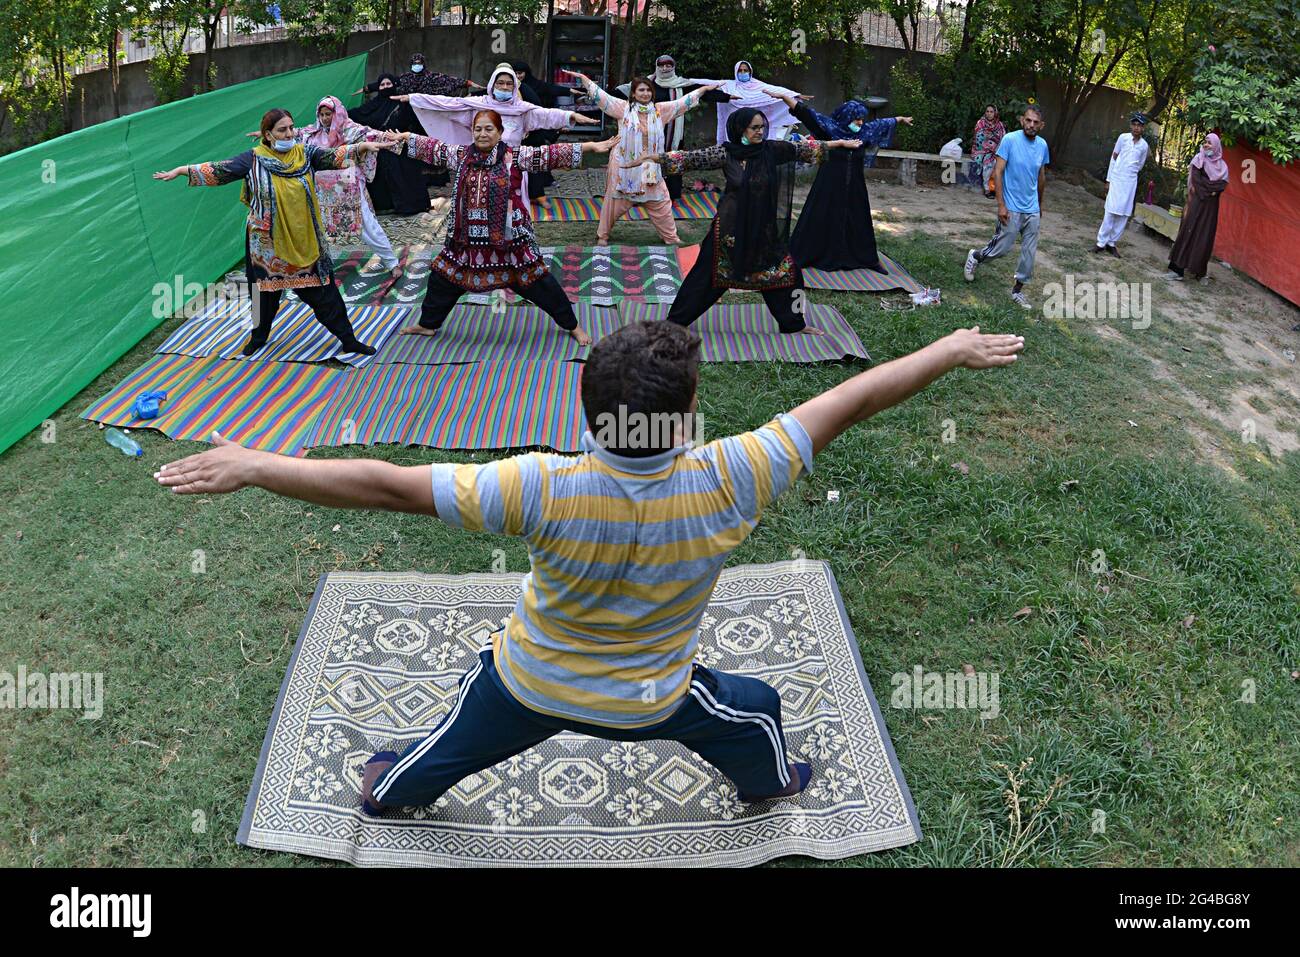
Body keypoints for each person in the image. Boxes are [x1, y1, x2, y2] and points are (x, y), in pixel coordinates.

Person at [154, 320, 1025, 815]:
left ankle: (388, 791)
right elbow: (856, 396)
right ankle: (775, 786)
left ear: (585, 410)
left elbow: (384, 484)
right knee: (756, 710)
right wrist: (947, 351)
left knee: (448, 736)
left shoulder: (536, 483)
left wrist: (259, 463)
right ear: (686, 415)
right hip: (651, 701)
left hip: (526, 683)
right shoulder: (737, 473)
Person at [152, 108, 388, 355]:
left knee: (324, 293)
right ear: (268, 134)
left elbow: (331, 156)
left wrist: (360, 148)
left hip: (303, 240)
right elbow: (221, 170)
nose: (289, 134)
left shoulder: (306, 154)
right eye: (282, 130)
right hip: (265, 245)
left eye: (291, 128)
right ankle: (258, 338)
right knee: (263, 297)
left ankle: (348, 339)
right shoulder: (253, 159)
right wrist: (183, 170)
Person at [389, 114, 616, 345]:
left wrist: (591, 147)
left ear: (499, 133)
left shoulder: (514, 157)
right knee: (441, 279)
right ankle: (427, 325)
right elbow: (434, 148)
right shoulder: (461, 155)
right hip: (466, 242)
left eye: (489, 129)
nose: (482, 134)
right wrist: (407, 137)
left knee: (541, 284)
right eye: (478, 129)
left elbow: (549, 155)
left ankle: (572, 325)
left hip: (510, 243)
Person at [627, 108, 859, 333]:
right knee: (705, 277)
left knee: (787, 274)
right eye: (754, 128)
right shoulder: (726, 153)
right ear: (740, 130)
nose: (760, 132)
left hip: (763, 229)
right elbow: (690, 159)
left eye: (762, 127)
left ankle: (794, 324)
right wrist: (653, 157)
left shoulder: (772, 150)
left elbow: (803, 148)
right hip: (729, 229)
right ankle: (675, 322)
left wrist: (839, 144)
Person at [395, 63, 601, 201]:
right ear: (492, 85)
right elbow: (448, 104)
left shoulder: (522, 110)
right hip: (477, 172)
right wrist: (413, 98)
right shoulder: (476, 106)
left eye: (508, 83)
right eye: (500, 83)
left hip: (512, 172)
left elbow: (546, 116)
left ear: (514, 87)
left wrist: (570, 117)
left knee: (512, 221)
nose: (504, 86)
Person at [563, 69, 723, 245]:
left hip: (650, 165)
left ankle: (670, 236)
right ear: (633, 93)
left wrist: (703, 90)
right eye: (641, 90)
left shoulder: (660, 110)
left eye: (648, 90)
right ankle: (603, 235)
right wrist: (584, 78)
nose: (645, 93)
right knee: (615, 202)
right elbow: (602, 97)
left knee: (660, 201)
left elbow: (681, 103)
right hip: (625, 165)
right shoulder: (623, 108)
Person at [775, 89, 912, 273]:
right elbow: (806, 112)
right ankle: (808, 255)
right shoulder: (830, 129)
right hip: (828, 186)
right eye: (857, 119)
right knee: (819, 217)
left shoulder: (864, 132)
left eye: (862, 119)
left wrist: (900, 119)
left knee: (858, 221)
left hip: (855, 187)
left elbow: (882, 123)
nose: (860, 123)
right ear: (847, 117)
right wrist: (785, 98)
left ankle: (867, 259)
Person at [292, 96, 402, 278]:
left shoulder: (349, 129)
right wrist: (268, 135)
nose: (325, 118)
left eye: (329, 114)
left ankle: (391, 262)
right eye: (322, 114)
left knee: (366, 223)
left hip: (347, 183)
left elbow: (371, 135)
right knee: (314, 223)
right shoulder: (313, 132)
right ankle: (313, 263)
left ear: (337, 113)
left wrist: (390, 139)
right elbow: (293, 134)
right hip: (323, 186)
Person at [963, 104, 1051, 310]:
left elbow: (1041, 176)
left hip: (1032, 209)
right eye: (1028, 120)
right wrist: (1001, 204)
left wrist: (1039, 204)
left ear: (1041, 125)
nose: (1031, 125)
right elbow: (998, 172)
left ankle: (1017, 291)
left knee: (1029, 254)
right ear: (1022, 120)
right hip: (1011, 206)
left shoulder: (1042, 146)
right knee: (1001, 249)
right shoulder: (1010, 140)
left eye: (1035, 122)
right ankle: (976, 256)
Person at [611, 54, 735, 200]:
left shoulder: (682, 84)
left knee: (674, 159)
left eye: (669, 65)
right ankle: (648, 194)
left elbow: (702, 93)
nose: (665, 68)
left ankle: (673, 194)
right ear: (657, 67)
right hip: (650, 132)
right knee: (649, 160)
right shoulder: (648, 84)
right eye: (662, 65)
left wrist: (727, 97)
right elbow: (620, 93)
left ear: (673, 67)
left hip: (674, 133)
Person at [348, 72, 433, 215]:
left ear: (394, 85)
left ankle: (410, 206)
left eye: (389, 84)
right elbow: (357, 114)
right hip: (378, 150)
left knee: (404, 177)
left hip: (401, 148)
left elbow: (416, 123)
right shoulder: (372, 105)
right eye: (382, 85)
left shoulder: (403, 104)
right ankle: (383, 206)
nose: (386, 87)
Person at [509, 60, 580, 200]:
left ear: (526, 73)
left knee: (536, 158)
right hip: (515, 131)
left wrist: (569, 91)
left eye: (520, 73)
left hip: (534, 128)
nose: (517, 76)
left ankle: (539, 191)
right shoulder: (507, 88)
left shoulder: (534, 86)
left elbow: (551, 88)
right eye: (515, 73)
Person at [1165, 133, 1230, 284]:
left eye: (1210, 143)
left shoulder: (1223, 166)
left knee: (1204, 236)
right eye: (1205, 142)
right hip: (1196, 202)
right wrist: (1210, 191)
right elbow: (1196, 181)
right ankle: (1177, 270)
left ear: (1216, 146)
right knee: (1188, 232)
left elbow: (1222, 186)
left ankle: (1199, 272)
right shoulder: (1198, 159)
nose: (1206, 145)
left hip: (1210, 208)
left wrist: (1210, 189)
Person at [694, 61, 810, 144]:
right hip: (736, 126)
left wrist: (794, 95)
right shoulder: (728, 85)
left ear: (750, 72)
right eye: (740, 70)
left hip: (753, 127)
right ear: (736, 72)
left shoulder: (758, 85)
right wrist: (685, 82)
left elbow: (776, 90)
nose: (743, 72)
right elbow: (707, 83)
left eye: (745, 70)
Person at [1094, 112, 1150, 257]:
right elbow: (1114, 158)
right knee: (1110, 210)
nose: (1136, 128)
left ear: (1143, 128)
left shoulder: (1144, 146)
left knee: (1124, 213)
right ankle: (1100, 243)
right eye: (1134, 124)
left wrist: (1129, 173)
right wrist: (1109, 179)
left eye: (1140, 125)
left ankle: (1111, 243)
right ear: (1131, 125)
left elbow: (1140, 165)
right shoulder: (1123, 138)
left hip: (1130, 182)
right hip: (1117, 179)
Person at [968, 105, 1005, 195]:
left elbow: (1003, 139)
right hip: (980, 150)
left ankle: (992, 188)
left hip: (996, 151)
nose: (989, 114)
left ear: (995, 113)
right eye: (987, 111)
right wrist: (989, 143)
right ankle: (987, 189)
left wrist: (993, 143)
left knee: (994, 163)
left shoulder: (999, 125)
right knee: (985, 162)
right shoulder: (980, 123)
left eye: (991, 112)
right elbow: (978, 139)